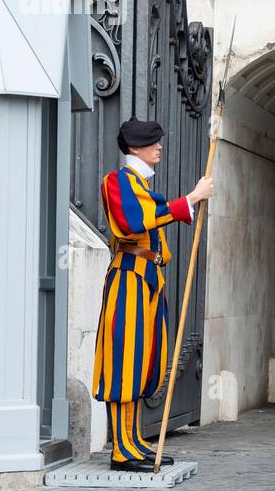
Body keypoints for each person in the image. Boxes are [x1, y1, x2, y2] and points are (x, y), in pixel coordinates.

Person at [92, 117, 214, 473]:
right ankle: (121, 450)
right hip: (129, 279)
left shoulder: (141, 184)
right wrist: (190, 198)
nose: (160, 146)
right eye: (153, 141)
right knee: (123, 364)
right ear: (135, 147)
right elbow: (135, 221)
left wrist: (189, 203)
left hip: (148, 280)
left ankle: (133, 441)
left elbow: (155, 213)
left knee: (143, 363)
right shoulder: (118, 182)